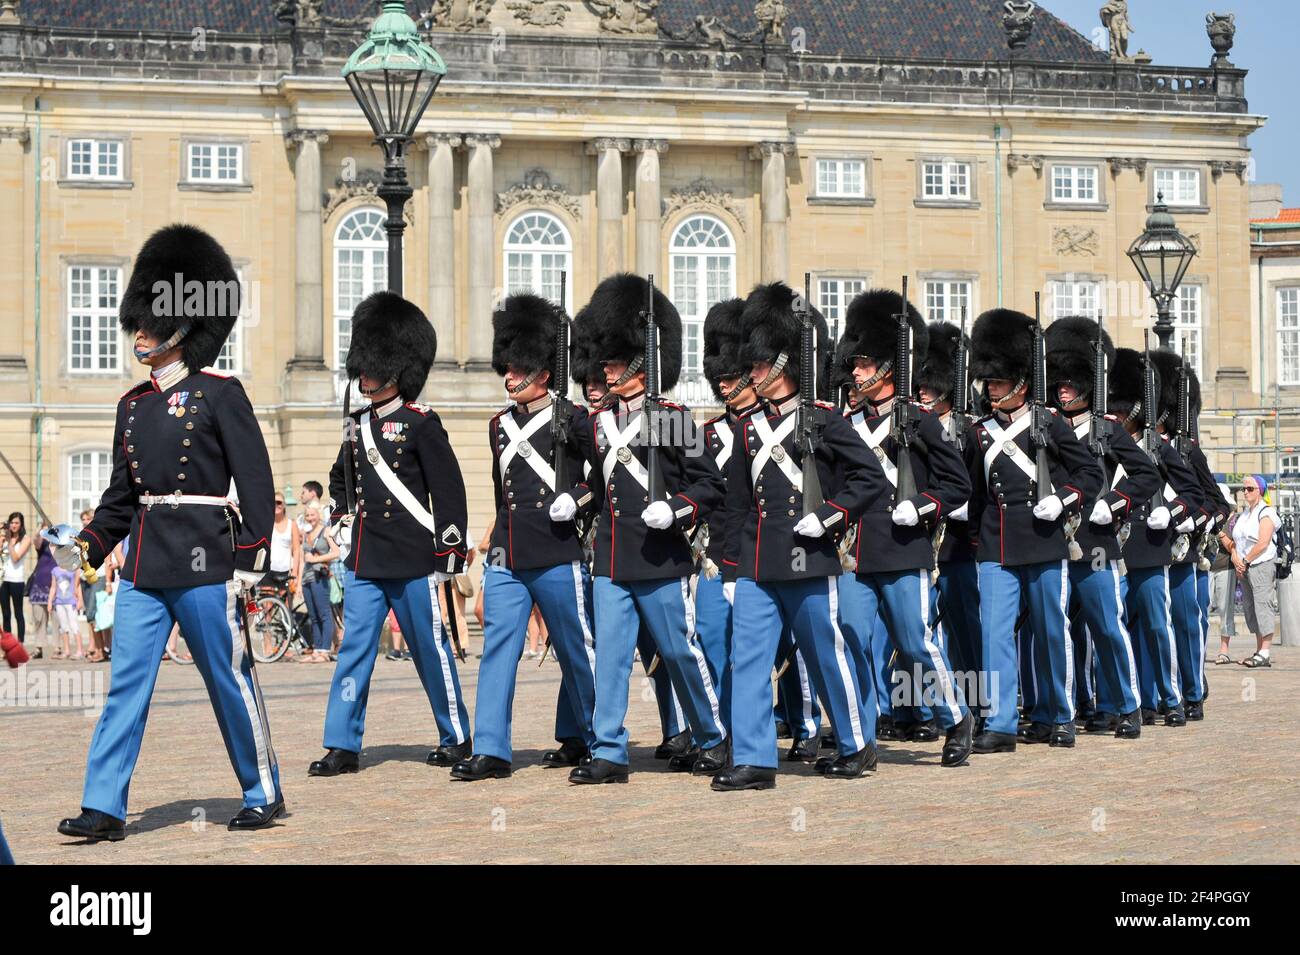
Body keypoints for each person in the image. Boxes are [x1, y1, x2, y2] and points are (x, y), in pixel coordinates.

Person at [55, 223, 282, 842]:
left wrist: (250, 551)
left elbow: (255, 481)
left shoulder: (220, 393)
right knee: (125, 687)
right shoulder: (132, 406)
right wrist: (88, 544)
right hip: (145, 567)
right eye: (138, 321)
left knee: (228, 680)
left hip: (208, 557)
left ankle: (261, 788)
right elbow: (122, 495)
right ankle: (104, 805)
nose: (139, 332)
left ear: (183, 327)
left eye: (151, 322)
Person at [712, 282, 884, 792]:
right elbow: (737, 505)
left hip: (810, 558)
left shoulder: (825, 421)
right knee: (748, 660)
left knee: (825, 655)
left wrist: (831, 517)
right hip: (759, 563)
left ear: (783, 365)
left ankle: (856, 744)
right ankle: (753, 758)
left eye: (760, 368)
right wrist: (729, 569)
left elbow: (869, 479)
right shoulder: (747, 430)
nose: (752, 375)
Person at [568, 273, 728, 785]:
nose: (605, 369)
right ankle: (609, 750)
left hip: (661, 557)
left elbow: (708, 485)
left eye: (614, 361)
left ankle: (712, 736)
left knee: (680, 651)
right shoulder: (599, 424)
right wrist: (577, 498)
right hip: (613, 558)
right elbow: (598, 481)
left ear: (640, 363)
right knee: (611, 659)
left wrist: (677, 509)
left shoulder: (673, 418)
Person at [311, 291, 472, 778]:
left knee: (429, 646)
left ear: (396, 369)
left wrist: (449, 545)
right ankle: (342, 742)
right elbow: (341, 477)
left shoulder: (421, 423)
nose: (363, 376)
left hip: (413, 554)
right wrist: (339, 511)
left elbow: (449, 489)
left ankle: (457, 735)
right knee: (354, 651)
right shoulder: (355, 426)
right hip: (365, 556)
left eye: (372, 367)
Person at [451, 292, 599, 781]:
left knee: (576, 648)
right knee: (498, 649)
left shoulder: (575, 419)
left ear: (542, 370)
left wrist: (574, 499)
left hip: (558, 552)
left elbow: (600, 481)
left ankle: (595, 737)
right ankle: (492, 748)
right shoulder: (498, 426)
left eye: (518, 369)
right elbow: (501, 494)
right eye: (507, 368)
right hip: (510, 555)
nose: (509, 377)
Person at [833, 289, 975, 764]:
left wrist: (923, 506)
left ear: (890, 367)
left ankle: (955, 717)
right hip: (854, 549)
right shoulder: (845, 422)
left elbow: (957, 484)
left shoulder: (919, 421)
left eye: (866, 362)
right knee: (851, 633)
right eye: (854, 363)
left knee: (914, 640)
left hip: (902, 545)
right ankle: (859, 737)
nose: (855, 371)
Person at [964, 308, 1104, 754]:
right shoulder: (980, 432)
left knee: (1049, 630)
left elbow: (1088, 474)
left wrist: (1062, 500)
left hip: (1045, 541)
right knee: (994, 633)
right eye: (988, 382)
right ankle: (1000, 722)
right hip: (996, 544)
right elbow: (974, 491)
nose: (991, 389)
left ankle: (1059, 714)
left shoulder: (1050, 424)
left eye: (999, 382)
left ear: (1021, 382)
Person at [696, 296, 823, 759]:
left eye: (737, 376)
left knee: (794, 644)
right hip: (723, 554)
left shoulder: (782, 424)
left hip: (783, 547)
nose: (730, 385)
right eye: (724, 378)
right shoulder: (708, 433)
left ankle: (806, 724)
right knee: (717, 641)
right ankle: (736, 734)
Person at [1043, 317, 1160, 738]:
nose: (1064, 389)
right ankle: (1069, 705)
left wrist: (1115, 502)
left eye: (1072, 383)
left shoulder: (1106, 429)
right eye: (1060, 382)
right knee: (1057, 629)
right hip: (1051, 539)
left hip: (1094, 541)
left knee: (1105, 625)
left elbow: (1146, 475)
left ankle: (1125, 705)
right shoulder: (1046, 428)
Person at [1107, 348, 1204, 727]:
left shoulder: (1156, 446)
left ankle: (1171, 695)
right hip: (1111, 545)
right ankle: (1136, 700)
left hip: (1149, 543)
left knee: (1156, 626)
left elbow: (1193, 493)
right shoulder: (1101, 441)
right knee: (1119, 629)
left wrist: (1173, 511)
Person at [1228, 475, 1278, 668]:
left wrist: (1245, 561)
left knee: (1263, 606)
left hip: (1261, 564)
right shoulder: (1244, 514)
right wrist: (1235, 556)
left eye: (1250, 488)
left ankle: (1265, 651)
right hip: (1245, 566)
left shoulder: (1266, 512)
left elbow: (1263, 543)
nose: (1245, 492)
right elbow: (1237, 541)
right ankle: (1259, 651)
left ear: (1260, 491)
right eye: (1244, 489)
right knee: (1251, 609)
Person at [299, 501, 338, 664]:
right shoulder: (305, 534)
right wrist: (299, 580)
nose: (310, 518)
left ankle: (325, 651)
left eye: (312, 514)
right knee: (314, 616)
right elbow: (302, 558)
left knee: (324, 614)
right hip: (307, 578)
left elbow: (336, 553)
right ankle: (317, 650)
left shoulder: (326, 531)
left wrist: (317, 558)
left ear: (319, 515)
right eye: (307, 515)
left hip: (320, 577)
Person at [25, 523, 56, 660]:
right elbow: (35, 540)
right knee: (39, 620)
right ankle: (38, 648)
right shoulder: (42, 545)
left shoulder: (61, 546)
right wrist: (39, 528)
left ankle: (58, 648)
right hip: (39, 587)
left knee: (57, 621)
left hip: (56, 587)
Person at [1, 512, 32, 646]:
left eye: (16, 523)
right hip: (3, 580)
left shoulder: (26, 539)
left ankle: (20, 644)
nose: (13, 525)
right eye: (11, 522)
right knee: (6, 615)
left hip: (17, 580)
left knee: (18, 613)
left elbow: (16, 558)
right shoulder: (4, 538)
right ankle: (8, 645)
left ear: (21, 524)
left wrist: (9, 542)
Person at [49, 563, 84, 660]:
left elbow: (78, 585)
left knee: (74, 626)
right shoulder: (55, 570)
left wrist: (80, 600)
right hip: (59, 602)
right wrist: (50, 601)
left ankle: (80, 650)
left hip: (71, 602)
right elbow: (53, 587)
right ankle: (67, 650)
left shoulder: (73, 568)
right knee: (63, 627)